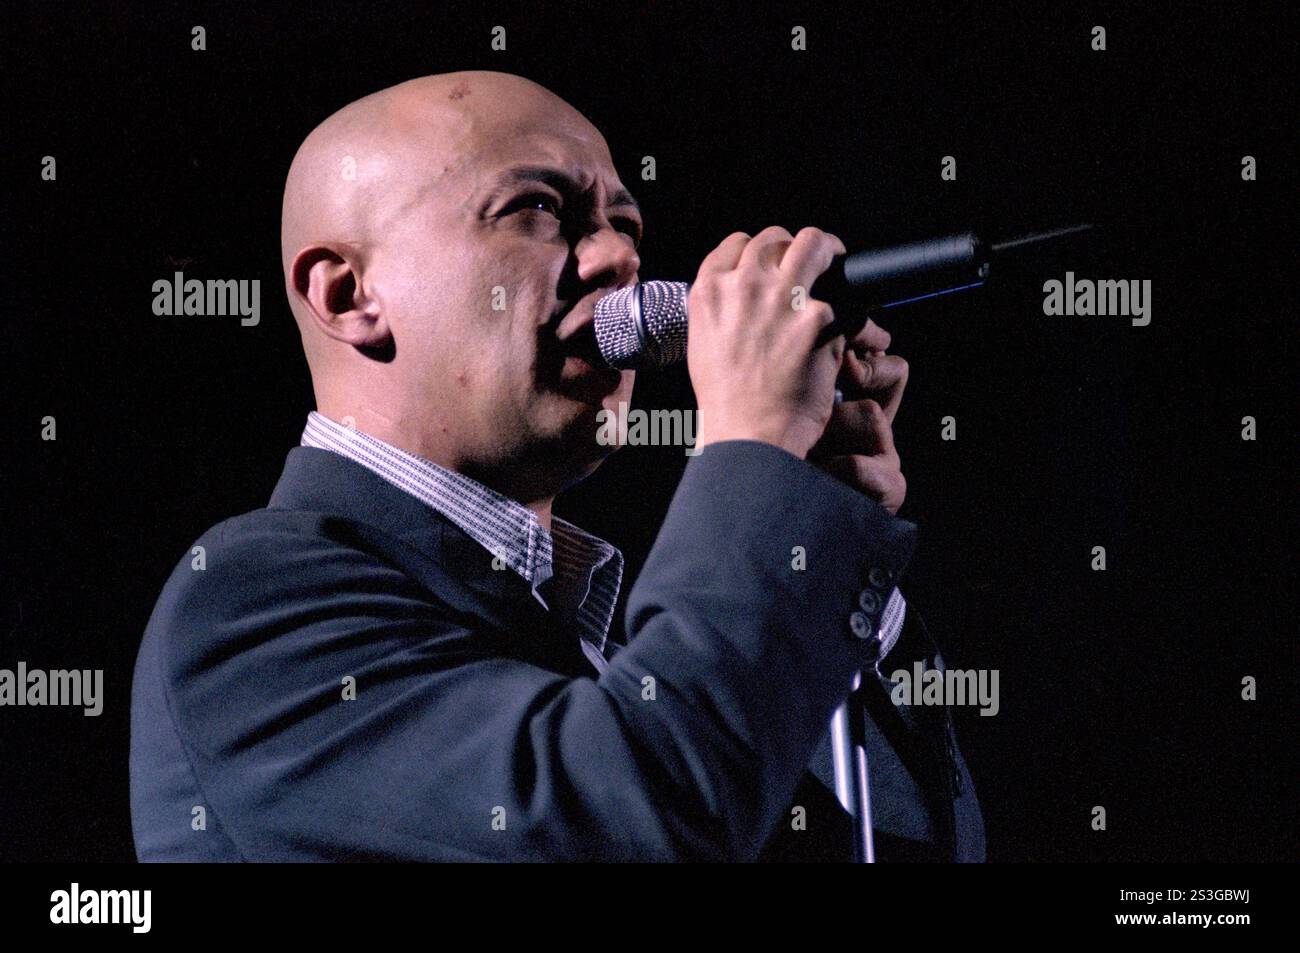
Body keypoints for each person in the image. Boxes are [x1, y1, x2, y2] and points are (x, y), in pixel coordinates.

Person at [129, 71, 984, 861]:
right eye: (536, 208)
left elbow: (919, 848)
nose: (618, 259)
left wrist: (815, 542)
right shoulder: (249, 599)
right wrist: (755, 460)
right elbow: (627, 819)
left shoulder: (627, 653)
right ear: (347, 294)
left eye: (626, 226)